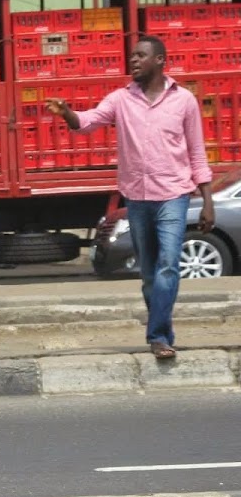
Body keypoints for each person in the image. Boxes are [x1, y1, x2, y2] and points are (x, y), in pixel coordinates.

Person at [47, 35, 213, 360]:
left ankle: (157, 336)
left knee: (168, 266)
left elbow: (196, 151)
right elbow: (88, 121)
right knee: (149, 272)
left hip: (174, 194)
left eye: (141, 55)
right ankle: (162, 329)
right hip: (137, 197)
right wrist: (67, 113)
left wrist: (207, 200)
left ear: (160, 60)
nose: (133, 60)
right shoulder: (121, 100)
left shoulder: (184, 101)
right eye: (132, 56)